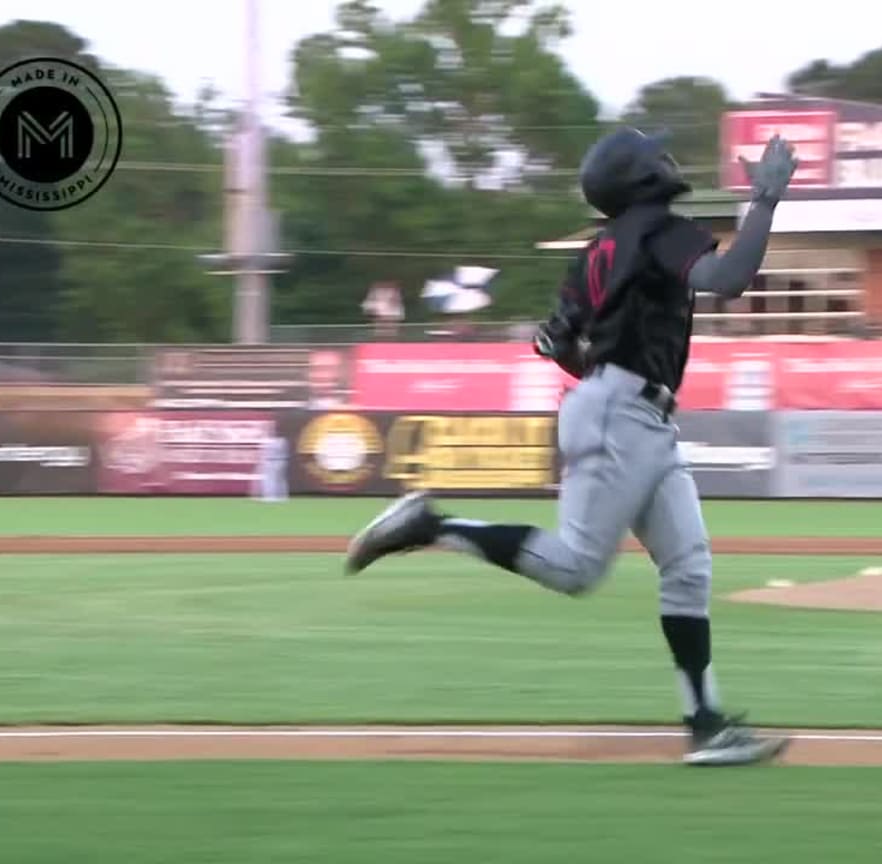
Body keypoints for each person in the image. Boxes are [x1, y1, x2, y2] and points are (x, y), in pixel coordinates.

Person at [343, 128, 800, 766]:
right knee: (577, 568)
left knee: (688, 567)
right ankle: (431, 526)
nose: (665, 159)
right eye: (654, 154)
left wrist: (611, 382)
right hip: (624, 411)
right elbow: (728, 279)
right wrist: (766, 200)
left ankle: (706, 724)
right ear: (639, 176)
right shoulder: (654, 228)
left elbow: (558, 344)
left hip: (629, 409)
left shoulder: (599, 249)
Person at [254, 429, 288, 503]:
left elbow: (264, 452)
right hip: (281, 461)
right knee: (280, 479)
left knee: (270, 480)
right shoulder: (283, 441)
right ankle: (282, 496)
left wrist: (261, 462)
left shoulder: (271, 441)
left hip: (272, 461)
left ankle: (270, 496)